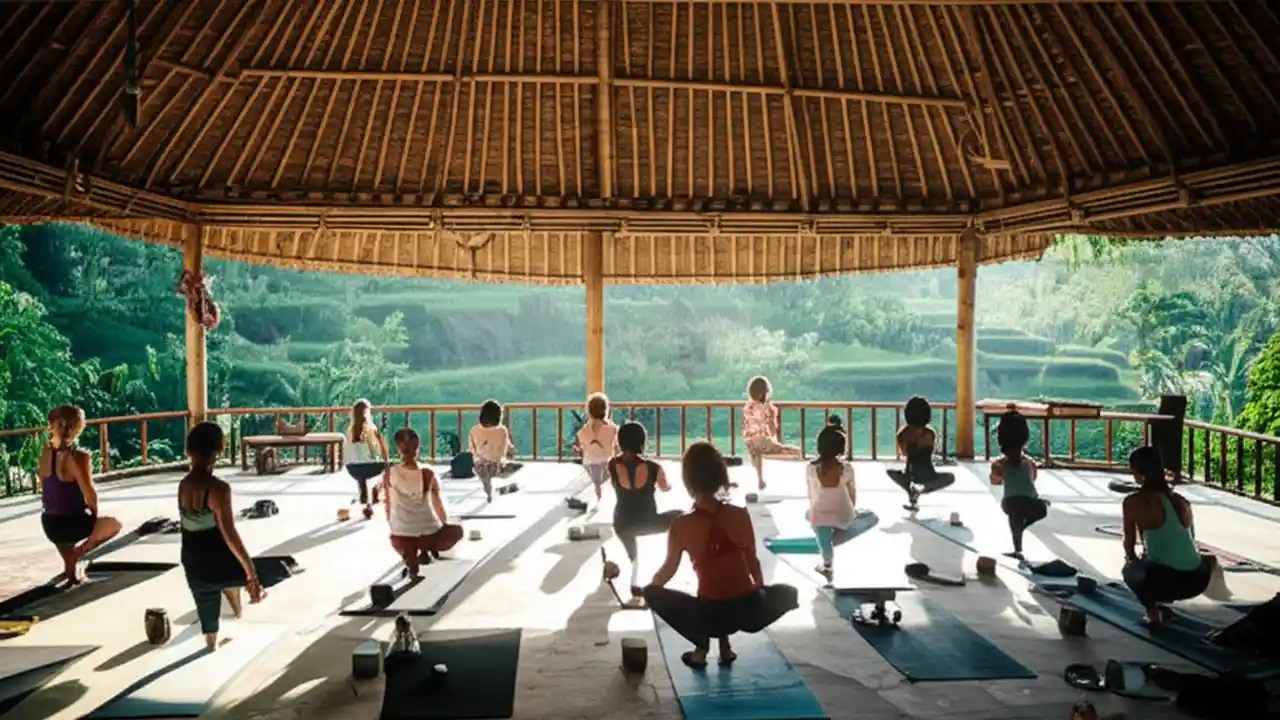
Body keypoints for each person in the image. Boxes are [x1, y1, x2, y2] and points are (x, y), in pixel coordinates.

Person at [643, 441, 799, 669]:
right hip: (747, 611)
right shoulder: (739, 515)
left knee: (666, 594)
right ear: (720, 476)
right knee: (788, 593)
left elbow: (668, 570)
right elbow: (752, 563)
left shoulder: (681, 525)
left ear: (688, 481)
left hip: (709, 616)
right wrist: (761, 594)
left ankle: (701, 647)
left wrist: (650, 591)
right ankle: (725, 648)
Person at [179, 422, 265, 650]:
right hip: (217, 564)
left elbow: (189, 530)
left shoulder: (183, 485)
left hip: (192, 564)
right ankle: (237, 594)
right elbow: (230, 536)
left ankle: (211, 640)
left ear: (190, 450)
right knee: (277, 569)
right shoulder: (218, 488)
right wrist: (252, 576)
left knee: (206, 605)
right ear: (218, 451)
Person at [1121, 446, 1211, 627]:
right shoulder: (1181, 501)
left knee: (1130, 570)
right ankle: (1161, 602)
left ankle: (1152, 613)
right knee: (1152, 564)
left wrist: (1136, 561)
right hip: (1199, 579)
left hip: (1169, 581)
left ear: (1138, 472)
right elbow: (1190, 540)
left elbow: (1129, 546)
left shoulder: (1134, 502)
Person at [39, 405, 121, 585]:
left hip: (49, 523)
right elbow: (90, 495)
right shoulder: (78, 457)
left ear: (51, 425)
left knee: (65, 541)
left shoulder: (44, 453)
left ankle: (71, 568)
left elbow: (46, 489)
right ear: (78, 427)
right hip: (72, 523)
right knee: (113, 524)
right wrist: (94, 517)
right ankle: (76, 554)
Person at [608, 421, 679, 604]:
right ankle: (673, 561)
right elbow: (665, 488)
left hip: (622, 524)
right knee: (681, 516)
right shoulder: (653, 467)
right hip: (648, 522)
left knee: (634, 557)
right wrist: (666, 484)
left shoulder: (612, 464)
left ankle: (635, 582)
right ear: (642, 441)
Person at [384, 428, 463, 579]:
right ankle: (426, 550)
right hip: (429, 532)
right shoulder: (428, 472)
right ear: (418, 447)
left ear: (397, 448)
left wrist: (393, 526)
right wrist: (444, 525)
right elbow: (438, 505)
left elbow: (388, 505)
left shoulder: (389, 473)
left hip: (401, 534)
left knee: (402, 536)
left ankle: (411, 556)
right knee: (456, 530)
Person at [807, 417, 872, 580]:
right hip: (844, 516)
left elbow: (812, 495)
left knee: (812, 515)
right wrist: (852, 511)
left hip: (821, 517)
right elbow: (852, 495)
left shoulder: (811, 469)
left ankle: (827, 561)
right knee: (869, 516)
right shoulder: (847, 469)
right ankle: (835, 536)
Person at [991, 412, 1048, 559]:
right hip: (1031, 503)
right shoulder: (1029, 463)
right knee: (1040, 509)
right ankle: (1021, 529)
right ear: (1025, 438)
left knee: (1014, 514)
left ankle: (1018, 546)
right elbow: (1032, 479)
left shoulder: (999, 464)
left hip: (1009, 502)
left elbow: (995, 481)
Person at [886, 396, 954, 510]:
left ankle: (912, 490)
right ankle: (922, 488)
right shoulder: (930, 433)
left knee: (891, 472)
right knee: (950, 477)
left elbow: (904, 453)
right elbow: (930, 452)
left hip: (909, 474)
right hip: (928, 475)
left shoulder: (903, 434)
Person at [742, 376, 801, 491]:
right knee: (793, 451)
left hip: (750, 441)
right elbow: (771, 426)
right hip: (763, 440)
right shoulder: (766, 407)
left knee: (757, 455)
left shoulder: (747, 406)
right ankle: (800, 454)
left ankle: (760, 479)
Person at [344, 399, 388, 515]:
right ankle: (376, 492)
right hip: (368, 466)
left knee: (360, 468)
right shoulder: (371, 429)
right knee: (385, 466)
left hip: (351, 467)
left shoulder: (349, 430)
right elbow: (375, 452)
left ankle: (364, 494)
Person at [468, 399, 514, 503]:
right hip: (496, 464)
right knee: (516, 471)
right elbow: (505, 448)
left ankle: (488, 485)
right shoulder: (502, 430)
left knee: (481, 465)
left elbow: (472, 448)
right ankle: (495, 488)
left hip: (479, 463)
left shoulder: (474, 430)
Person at [577, 393, 619, 504]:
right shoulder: (613, 429)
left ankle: (596, 487)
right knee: (611, 462)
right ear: (606, 409)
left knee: (594, 469)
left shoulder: (582, 432)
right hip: (607, 464)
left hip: (589, 464)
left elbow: (583, 448)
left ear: (588, 411)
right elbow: (617, 448)